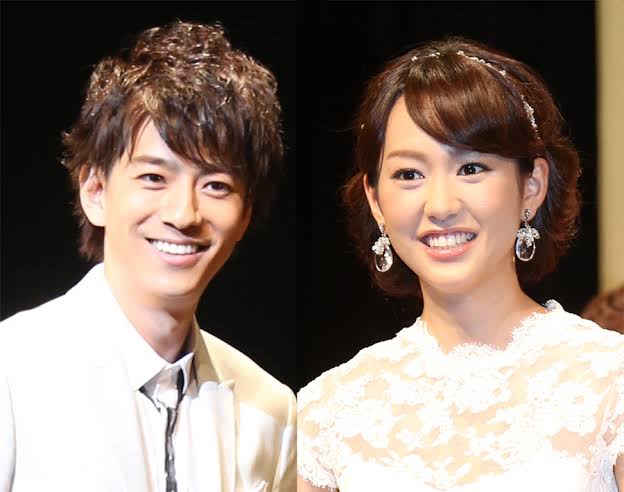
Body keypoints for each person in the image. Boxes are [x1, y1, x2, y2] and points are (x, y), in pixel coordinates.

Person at [297, 38, 623, 491]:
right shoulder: (328, 413)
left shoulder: (609, 382)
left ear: (531, 185)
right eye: (409, 174)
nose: (441, 206)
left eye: (471, 168)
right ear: (376, 201)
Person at [0, 21, 295, 492]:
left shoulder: (270, 409)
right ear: (95, 190)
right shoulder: (13, 370)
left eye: (216, 185)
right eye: (154, 178)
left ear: (246, 215)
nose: (184, 214)